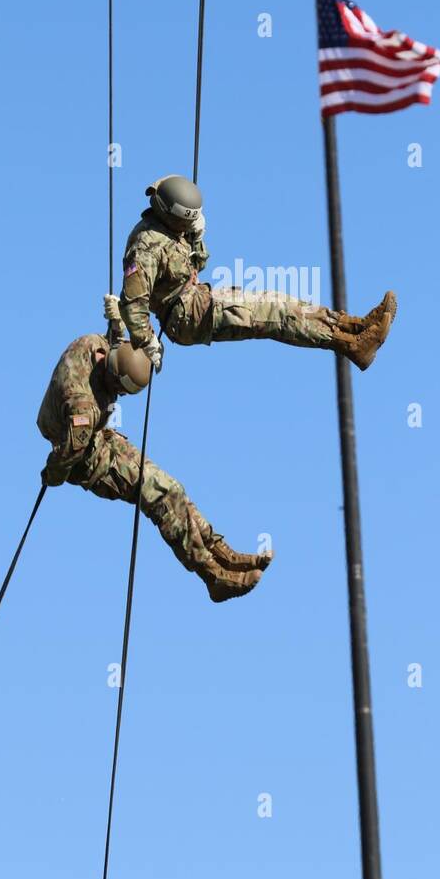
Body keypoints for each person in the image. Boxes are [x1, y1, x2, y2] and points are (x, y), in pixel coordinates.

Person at [36, 332, 270, 603]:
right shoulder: (83, 408)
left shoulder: (94, 344)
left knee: (172, 487)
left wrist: (140, 340)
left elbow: (117, 339)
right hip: (89, 462)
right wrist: (51, 474)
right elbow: (70, 453)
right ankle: (212, 575)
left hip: (101, 439)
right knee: (160, 500)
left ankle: (221, 552)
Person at [110, 174, 397, 374]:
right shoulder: (145, 245)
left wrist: (196, 238)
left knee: (283, 302)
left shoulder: (172, 232)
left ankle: (354, 327)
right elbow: (133, 303)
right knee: (277, 315)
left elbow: (194, 266)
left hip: (199, 300)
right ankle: (352, 345)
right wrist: (147, 341)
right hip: (189, 316)